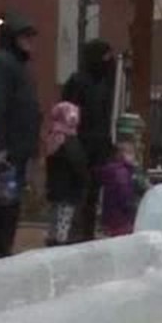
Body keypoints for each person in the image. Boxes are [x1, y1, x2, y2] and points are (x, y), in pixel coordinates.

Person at [0, 10, 41, 260]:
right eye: (24, 36)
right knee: (2, 211)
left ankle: (0, 253)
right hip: (7, 153)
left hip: (18, 151)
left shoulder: (19, 68)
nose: (29, 42)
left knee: (10, 210)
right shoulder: (0, 64)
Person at [63, 39, 120, 244]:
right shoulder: (79, 82)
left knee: (92, 192)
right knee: (80, 191)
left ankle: (85, 232)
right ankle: (75, 233)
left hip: (97, 146)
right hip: (80, 146)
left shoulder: (104, 83)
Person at [43, 102, 91, 247]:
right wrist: (84, 179)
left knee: (54, 217)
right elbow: (77, 164)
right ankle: (59, 245)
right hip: (69, 189)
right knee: (64, 220)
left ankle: (52, 241)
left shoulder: (54, 136)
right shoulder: (69, 139)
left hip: (55, 187)